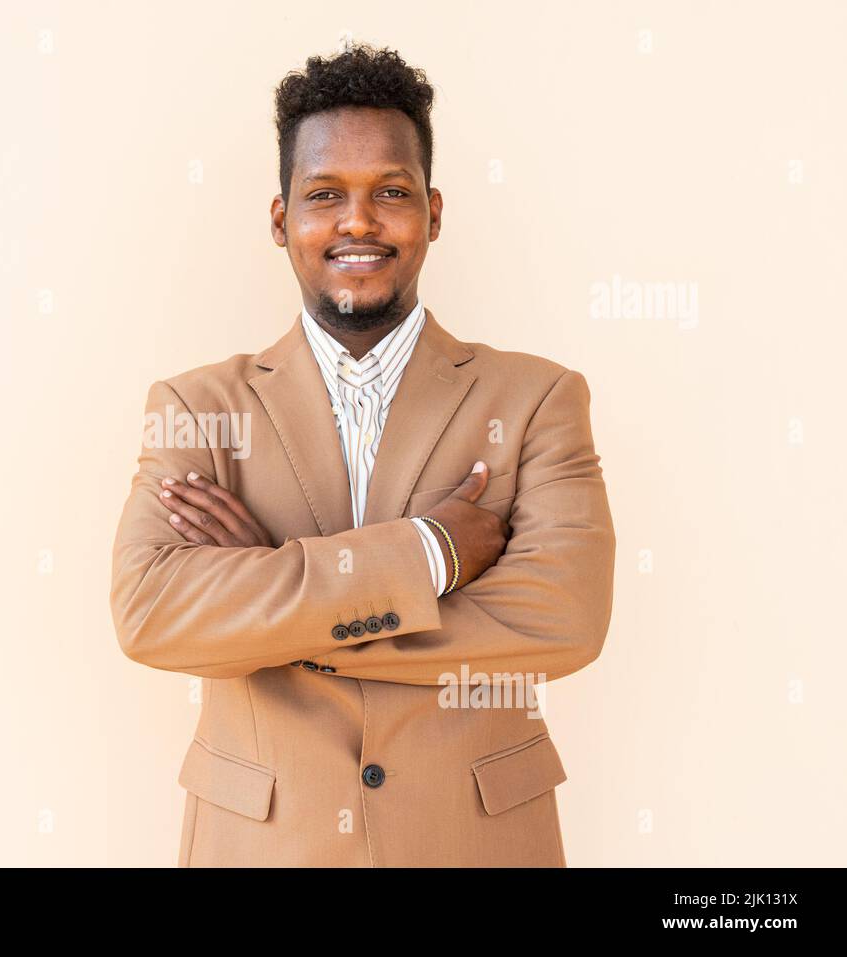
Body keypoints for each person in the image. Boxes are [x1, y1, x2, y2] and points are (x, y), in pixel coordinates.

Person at [109, 42, 615, 867]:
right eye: (324, 195)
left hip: (477, 843)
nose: (358, 221)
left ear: (434, 212)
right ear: (281, 221)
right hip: (262, 844)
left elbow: (563, 621)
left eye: (390, 192)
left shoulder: (539, 400)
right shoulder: (198, 408)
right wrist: (430, 552)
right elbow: (149, 610)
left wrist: (267, 603)